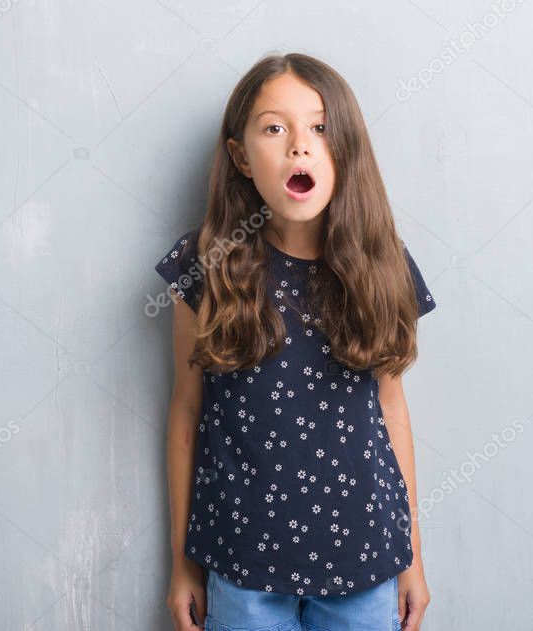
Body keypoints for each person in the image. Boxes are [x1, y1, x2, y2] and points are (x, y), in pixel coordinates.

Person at [155, 52, 436, 631]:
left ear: (345, 149)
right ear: (240, 156)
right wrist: (185, 567)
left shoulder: (384, 266)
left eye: (320, 127)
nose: (299, 146)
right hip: (241, 566)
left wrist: (412, 558)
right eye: (275, 127)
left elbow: (391, 408)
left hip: (365, 562)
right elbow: (186, 414)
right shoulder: (205, 267)